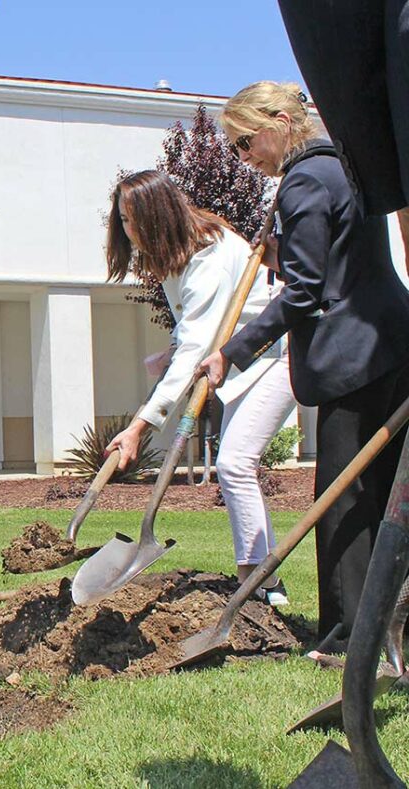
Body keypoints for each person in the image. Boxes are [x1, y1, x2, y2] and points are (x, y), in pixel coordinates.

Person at [199, 81, 409, 652]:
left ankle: (346, 636)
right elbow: (336, 262)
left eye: (245, 143)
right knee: (386, 492)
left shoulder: (302, 182)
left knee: (342, 498)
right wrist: (280, 253)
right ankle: (392, 628)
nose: (245, 159)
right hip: (392, 342)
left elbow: (306, 293)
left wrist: (231, 351)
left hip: (352, 358)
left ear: (278, 122)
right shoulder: (344, 167)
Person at [105, 170, 295, 604]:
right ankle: (265, 580)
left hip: (275, 358)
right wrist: (173, 351)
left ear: (157, 216)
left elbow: (198, 344)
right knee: (237, 464)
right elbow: (191, 333)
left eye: (132, 221)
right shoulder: (180, 254)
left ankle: (257, 580)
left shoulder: (208, 253)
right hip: (242, 365)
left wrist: (140, 427)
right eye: (122, 221)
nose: (128, 232)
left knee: (234, 463)